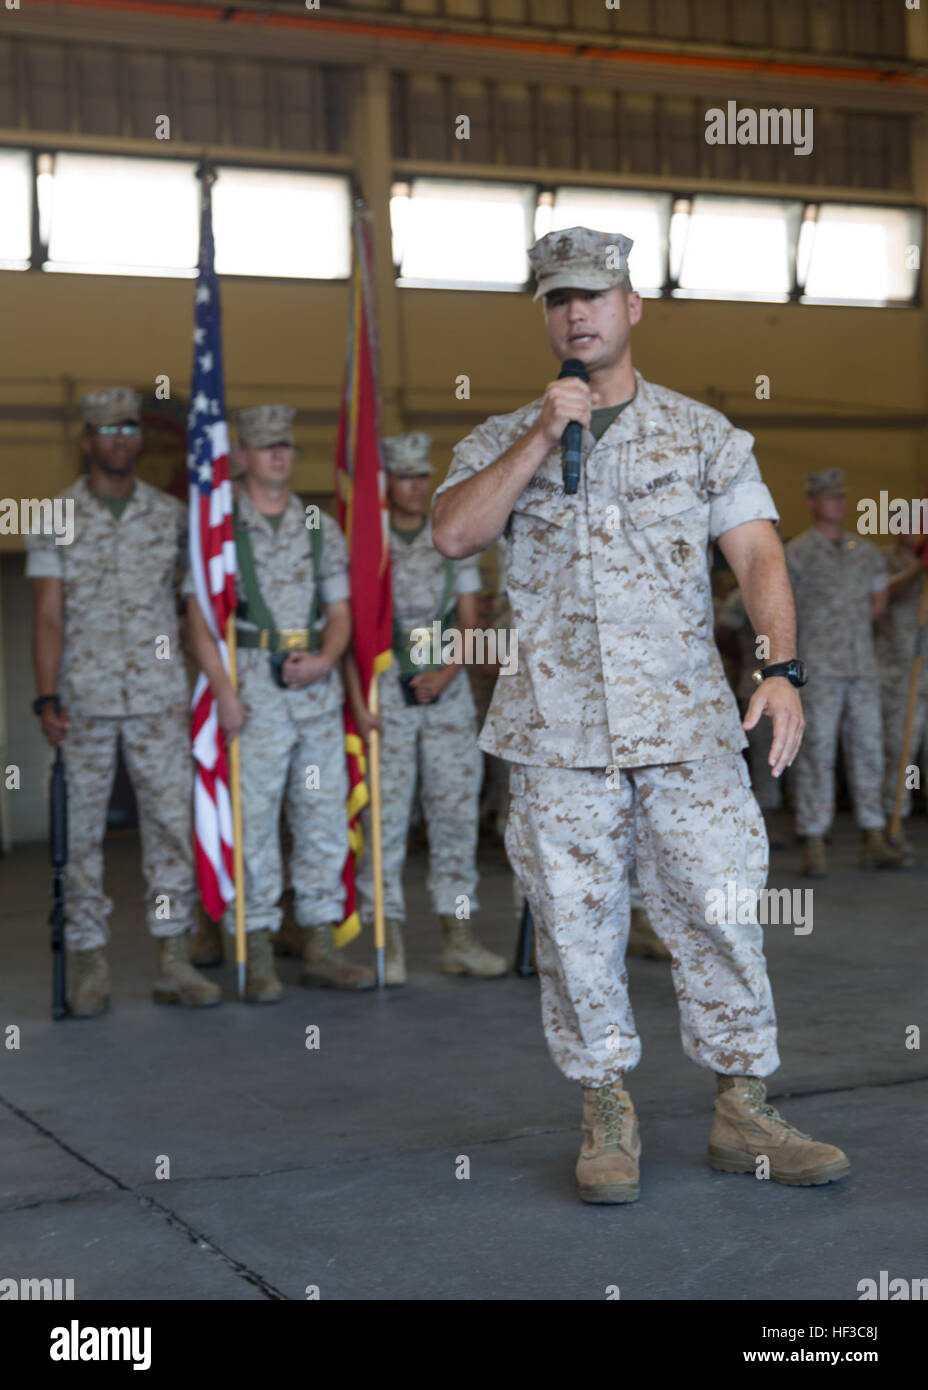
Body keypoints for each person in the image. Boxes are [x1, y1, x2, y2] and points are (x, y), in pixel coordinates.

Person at [432, 225, 850, 1203]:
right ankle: (605, 1111)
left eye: (592, 294)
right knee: (575, 928)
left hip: (685, 729)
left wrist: (780, 667)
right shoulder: (498, 438)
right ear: (546, 314)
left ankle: (742, 1105)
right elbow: (454, 531)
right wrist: (542, 433)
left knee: (721, 909)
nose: (575, 311)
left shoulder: (704, 434)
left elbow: (755, 554)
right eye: (556, 298)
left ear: (631, 305)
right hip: (557, 735)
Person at [26, 387, 219, 1016]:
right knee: (80, 834)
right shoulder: (53, 514)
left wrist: (211, 685)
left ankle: (174, 959)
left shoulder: (169, 515)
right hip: (82, 697)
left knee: (169, 827)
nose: (120, 439)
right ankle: (89, 963)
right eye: (107, 430)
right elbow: (48, 613)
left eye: (130, 429)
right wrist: (47, 695)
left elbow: (194, 611)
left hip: (159, 697)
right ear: (87, 440)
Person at [186, 404, 374, 1000]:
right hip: (252, 696)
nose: (277, 455)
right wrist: (223, 692)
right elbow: (196, 616)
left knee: (320, 820)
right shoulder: (217, 525)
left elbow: (340, 615)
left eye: (286, 445)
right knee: (254, 827)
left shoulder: (319, 525)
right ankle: (257, 947)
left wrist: (324, 659)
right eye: (265, 446)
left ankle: (320, 945)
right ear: (240, 456)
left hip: (314, 695)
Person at [347, 432, 506, 985]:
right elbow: (351, 628)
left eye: (422, 476)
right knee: (385, 823)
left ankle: (457, 936)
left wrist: (443, 675)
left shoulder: (449, 535)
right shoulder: (367, 543)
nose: (415, 487)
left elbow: (469, 622)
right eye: (404, 476)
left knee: (456, 819)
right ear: (384, 483)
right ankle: (385, 939)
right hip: (387, 692)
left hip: (446, 692)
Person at [785, 469, 903, 876]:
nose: (839, 502)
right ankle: (813, 839)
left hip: (861, 667)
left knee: (869, 748)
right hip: (818, 668)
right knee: (817, 751)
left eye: (842, 496)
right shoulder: (796, 553)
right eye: (830, 496)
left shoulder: (866, 551)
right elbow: (783, 608)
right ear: (812, 502)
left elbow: (878, 603)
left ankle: (873, 834)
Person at [875, 529, 927, 855]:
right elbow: (881, 596)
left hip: (925, 674)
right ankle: (893, 820)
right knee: (902, 756)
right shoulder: (880, 559)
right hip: (899, 677)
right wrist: (918, 569)